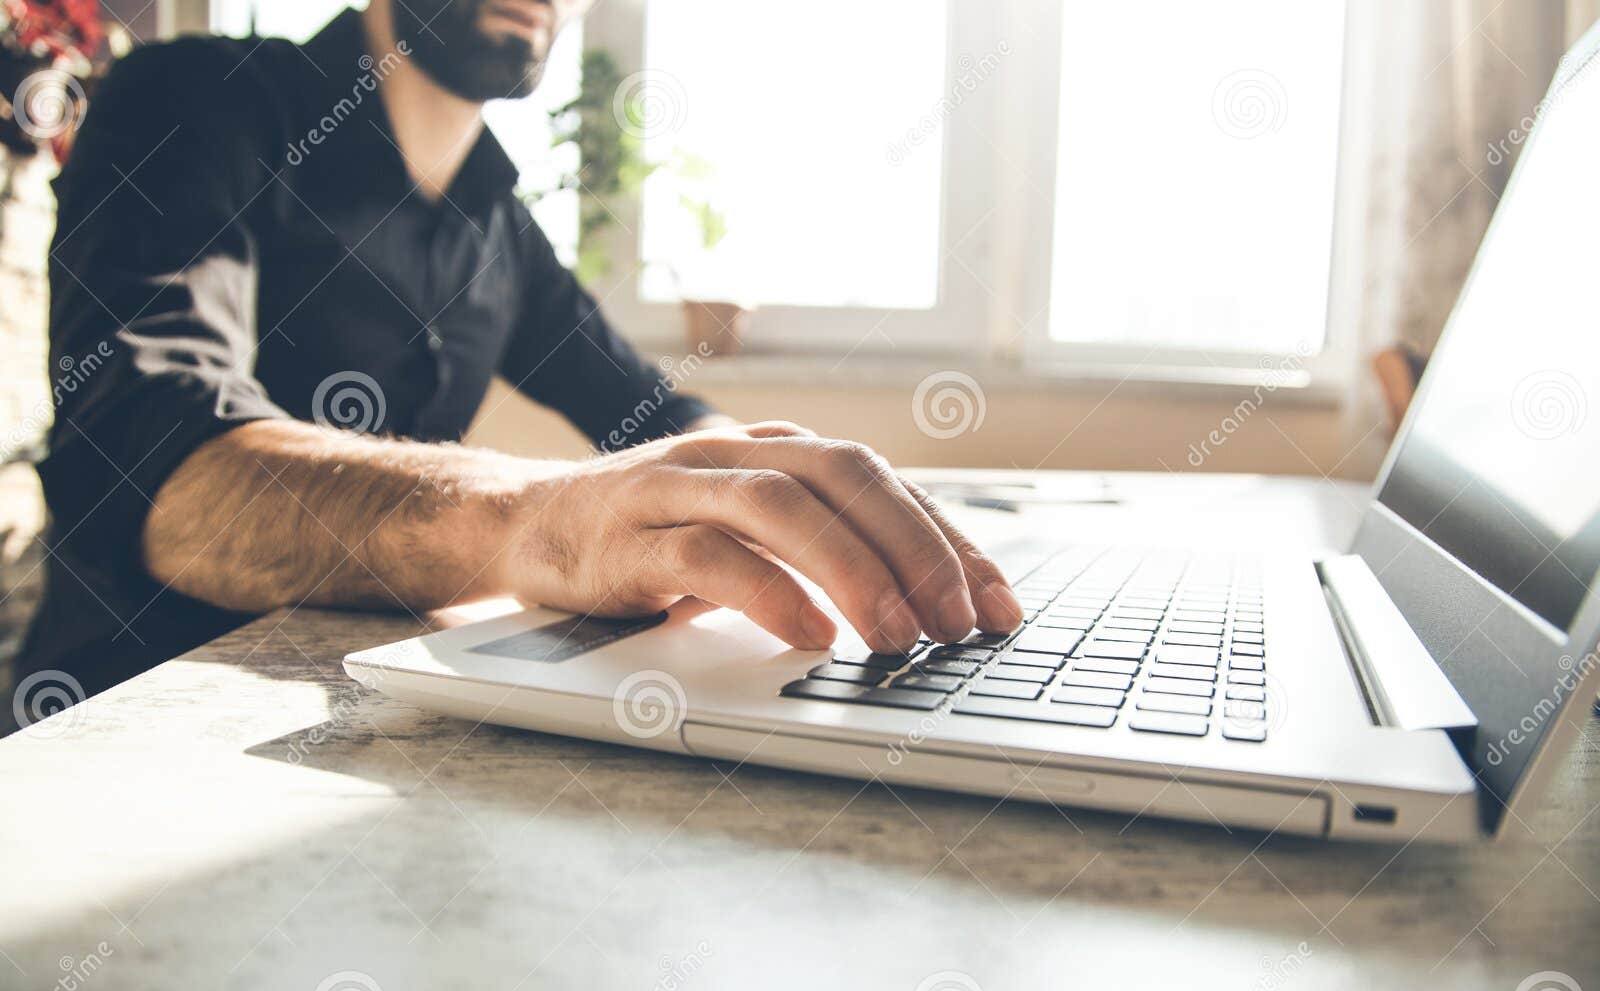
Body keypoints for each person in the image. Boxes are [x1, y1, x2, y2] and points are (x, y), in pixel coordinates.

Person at [13, 0, 1021, 718]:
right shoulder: (197, 95)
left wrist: (769, 480)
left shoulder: (499, 222)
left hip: (382, 709)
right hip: (127, 719)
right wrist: (540, 519)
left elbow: (647, 411)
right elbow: (144, 469)